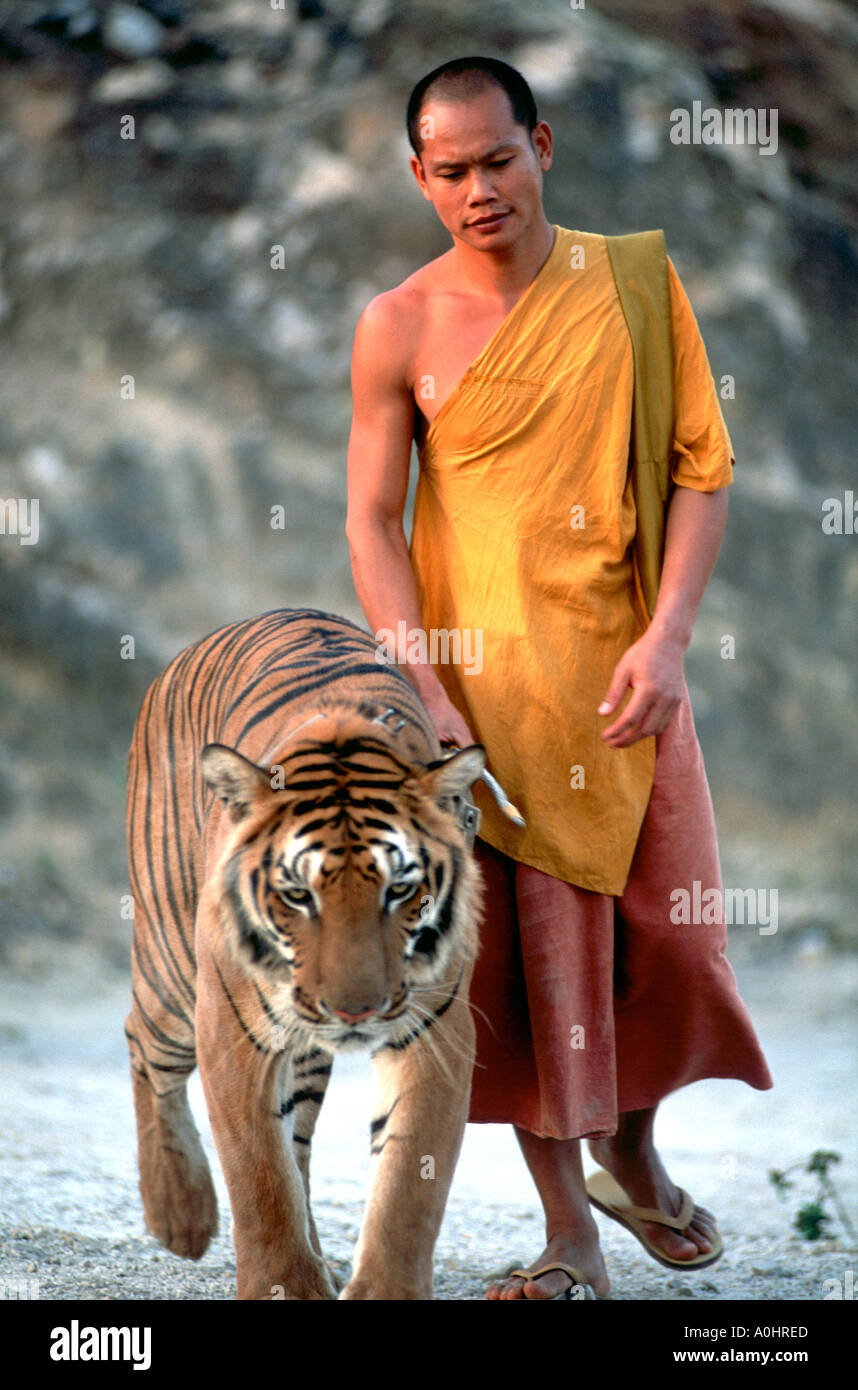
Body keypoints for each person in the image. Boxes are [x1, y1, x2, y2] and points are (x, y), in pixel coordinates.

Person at [345, 54, 773, 1301]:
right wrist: (421, 681)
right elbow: (373, 521)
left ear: (543, 146)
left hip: (631, 678)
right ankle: (568, 1241)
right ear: (419, 179)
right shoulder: (399, 324)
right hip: (490, 699)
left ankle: (632, 1160)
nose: (480, 188)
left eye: (498, 158)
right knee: (538, 986)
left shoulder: (634, 285)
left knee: (671, 955)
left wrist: (672, 635)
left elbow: (703, 466)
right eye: (451, 170)